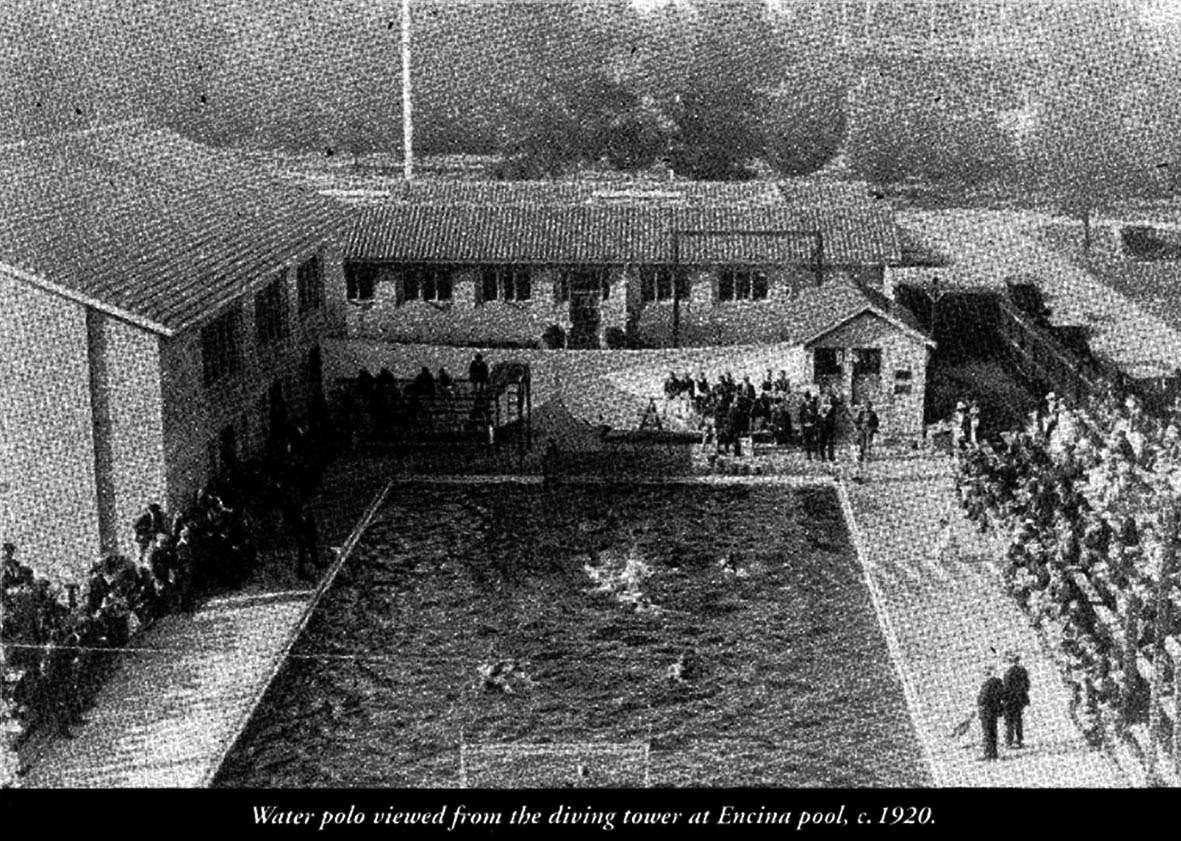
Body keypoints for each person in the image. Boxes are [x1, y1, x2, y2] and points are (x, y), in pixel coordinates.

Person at [977, 665, 1006, 761]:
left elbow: (985, 698)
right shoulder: (997, 683)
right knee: (991, 732)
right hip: (992, 710)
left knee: (988, 733)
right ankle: (992, 753)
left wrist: (981, 705)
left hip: (988, 711)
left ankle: (989, 754)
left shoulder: (990, 683)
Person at [1003, 651, 1031, 748]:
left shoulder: (1008, 673)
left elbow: (1006, 688)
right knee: (1018, 719)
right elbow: (1027, 685)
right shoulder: (1023, 671)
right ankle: (1019, 740)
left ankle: (1009, 741)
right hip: (1020, 700)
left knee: (1009, 721)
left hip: (1010, 700)